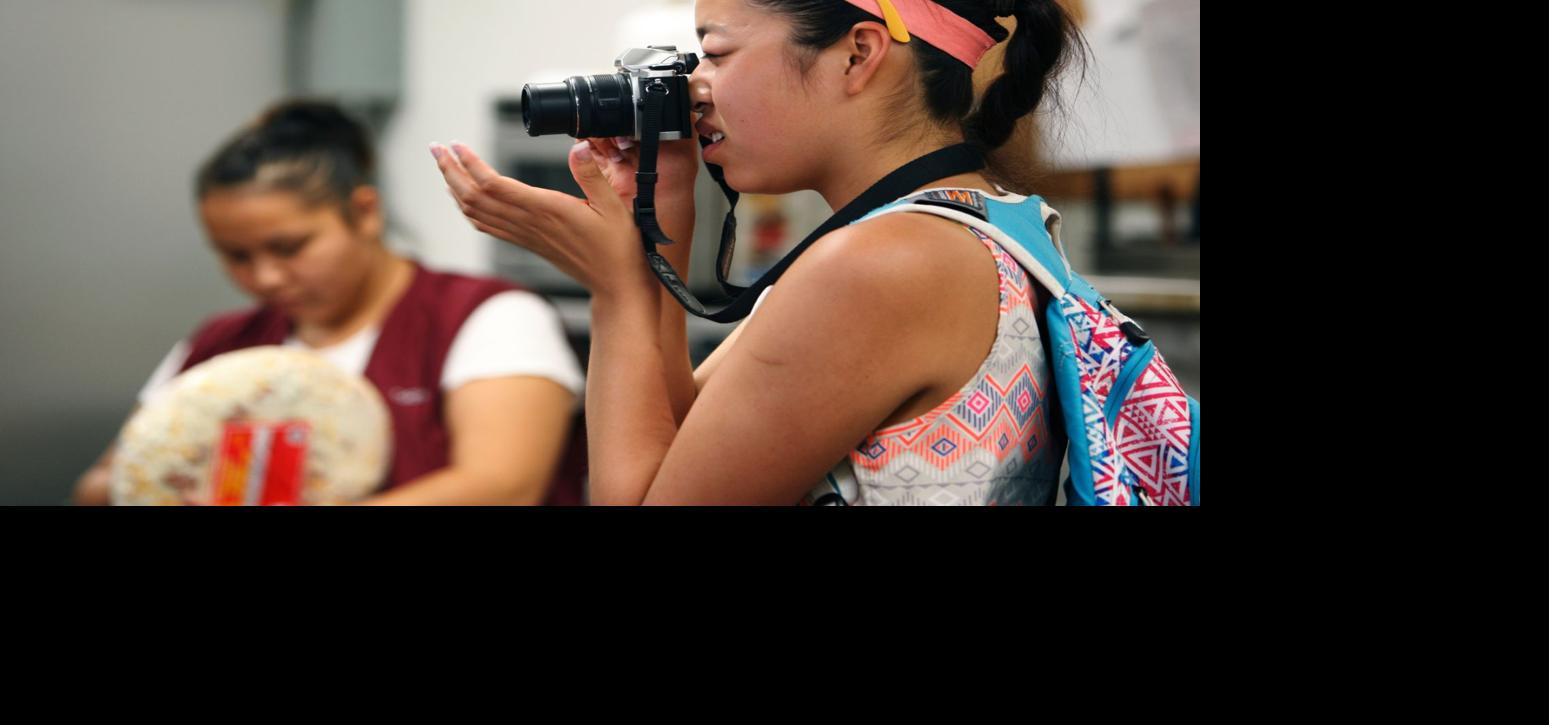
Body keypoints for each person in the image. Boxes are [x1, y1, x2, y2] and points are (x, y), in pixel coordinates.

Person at [433, 0, 1083, 504]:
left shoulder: (879, 266)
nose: (694, 87)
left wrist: (620, 288)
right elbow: (693, 446)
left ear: (858, 55)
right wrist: (663, 217)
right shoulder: (991, 216)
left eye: (715, 53)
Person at [74, 101, 588, 505]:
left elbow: (502, 488)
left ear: (364, 212)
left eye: (289, 247)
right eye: (236, 256)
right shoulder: (221, 344)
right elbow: (102, 482)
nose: (265, 277)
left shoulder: (486, 317)